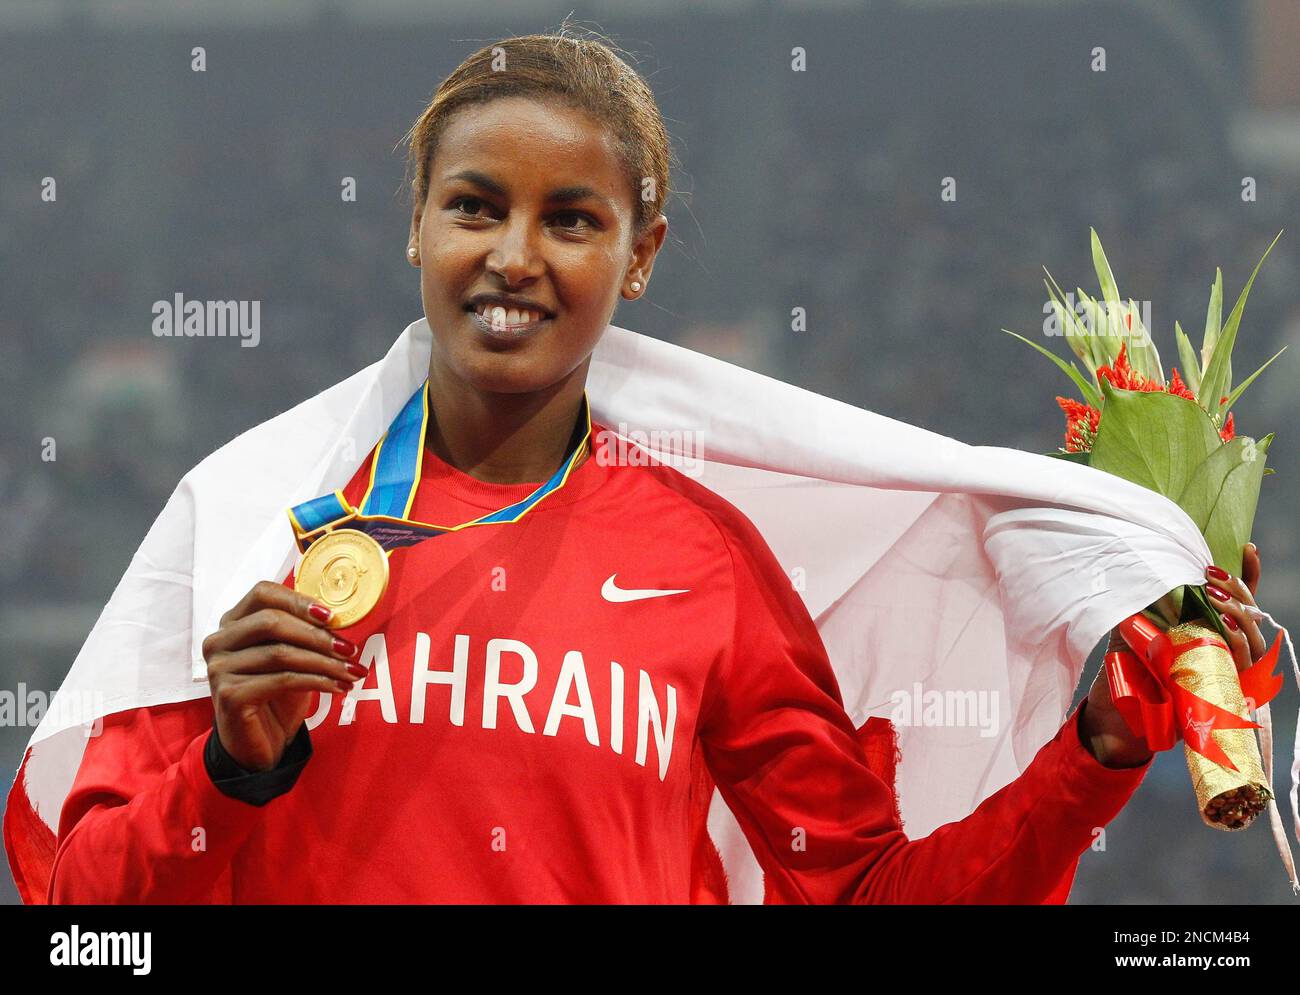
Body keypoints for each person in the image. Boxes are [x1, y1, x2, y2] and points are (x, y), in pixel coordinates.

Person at [39, 27, 1274, 904]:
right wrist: (227, 769)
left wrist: (1094, 756)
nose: (514, 255)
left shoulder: (706, 562)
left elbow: (862, 895)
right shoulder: (255, 518)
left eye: (571, 218)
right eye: (474, 205)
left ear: (639, 256)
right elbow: (83, 928)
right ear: (413, 220)